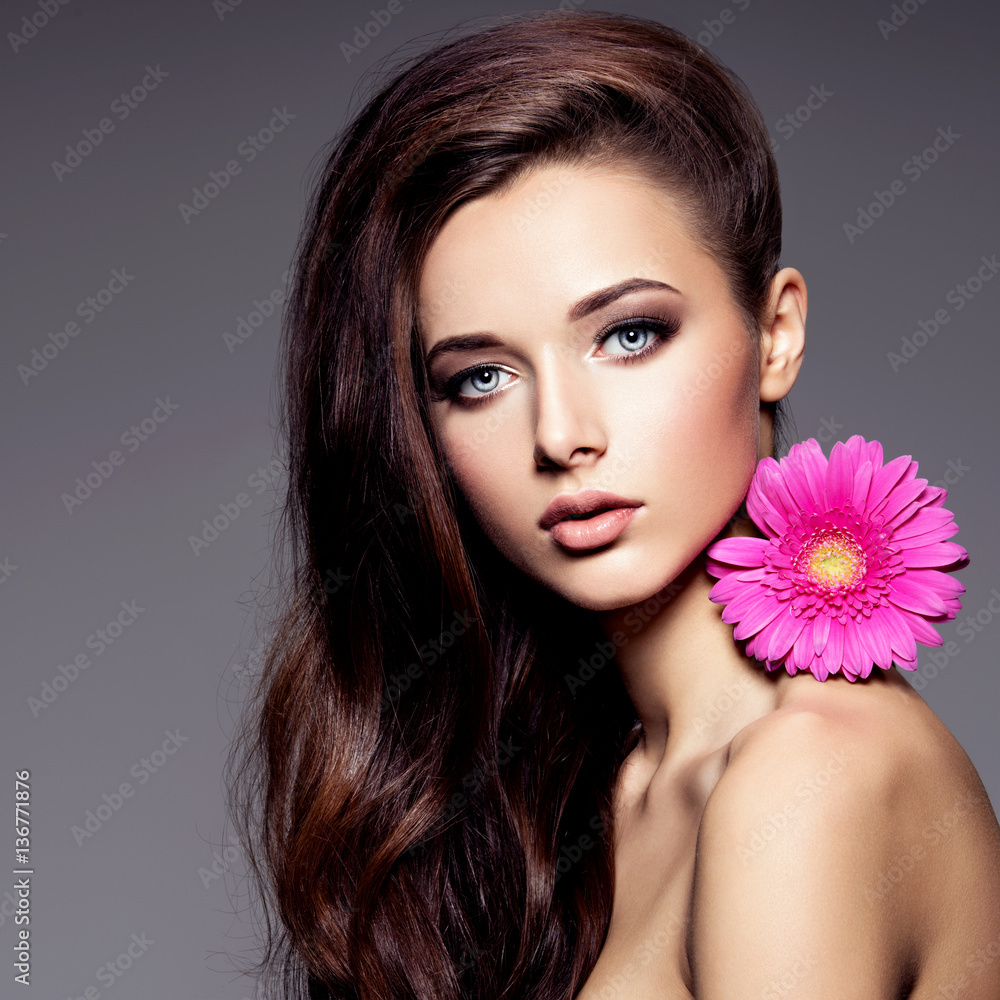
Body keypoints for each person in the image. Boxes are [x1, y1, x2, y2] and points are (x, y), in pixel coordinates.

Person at [227, 10, 1000, 999]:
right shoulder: (590, 794)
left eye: (629, 335)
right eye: (479, 378)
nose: (559, 433)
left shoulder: (808, 775)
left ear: (774, 334)